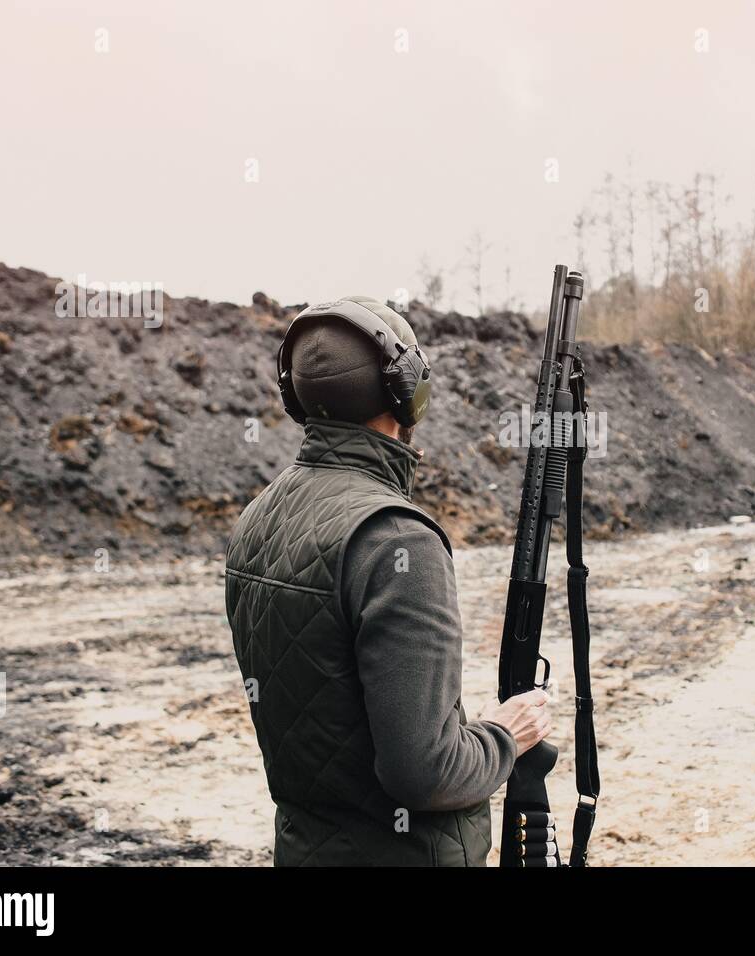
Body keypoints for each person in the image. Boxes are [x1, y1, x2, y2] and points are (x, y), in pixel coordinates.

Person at [224, 296, 550, 866]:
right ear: (409, 391)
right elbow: (424, 773)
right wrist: (505, 734)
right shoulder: (399, 541)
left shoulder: (259, 516)